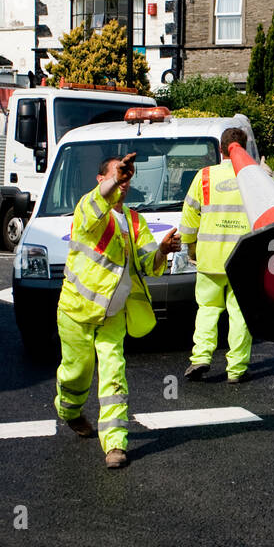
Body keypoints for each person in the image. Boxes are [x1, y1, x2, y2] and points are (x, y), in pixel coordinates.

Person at [54, 152, 182, 469]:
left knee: (114, 377)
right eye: (117, 176)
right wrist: (113, 180)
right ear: (102, 181)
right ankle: (69, 411)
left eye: (127, 178)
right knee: (76, 375)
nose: (124, 182)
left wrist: (163, 250)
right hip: (76, 312)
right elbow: (95, 204)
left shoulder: (135, 221)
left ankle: (115, 445)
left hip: (114, 316)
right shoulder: (89, 212)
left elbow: (149, 265)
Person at [180, 128, 253, 383]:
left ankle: (200, 357)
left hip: (209, 259)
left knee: (208, 309)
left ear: (220, 149)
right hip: (243, 261)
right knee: (240, 314)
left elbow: (189, 217)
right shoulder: (254, 177)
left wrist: (190, 246)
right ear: (243, 149)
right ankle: (237, 369)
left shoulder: (205, 177)